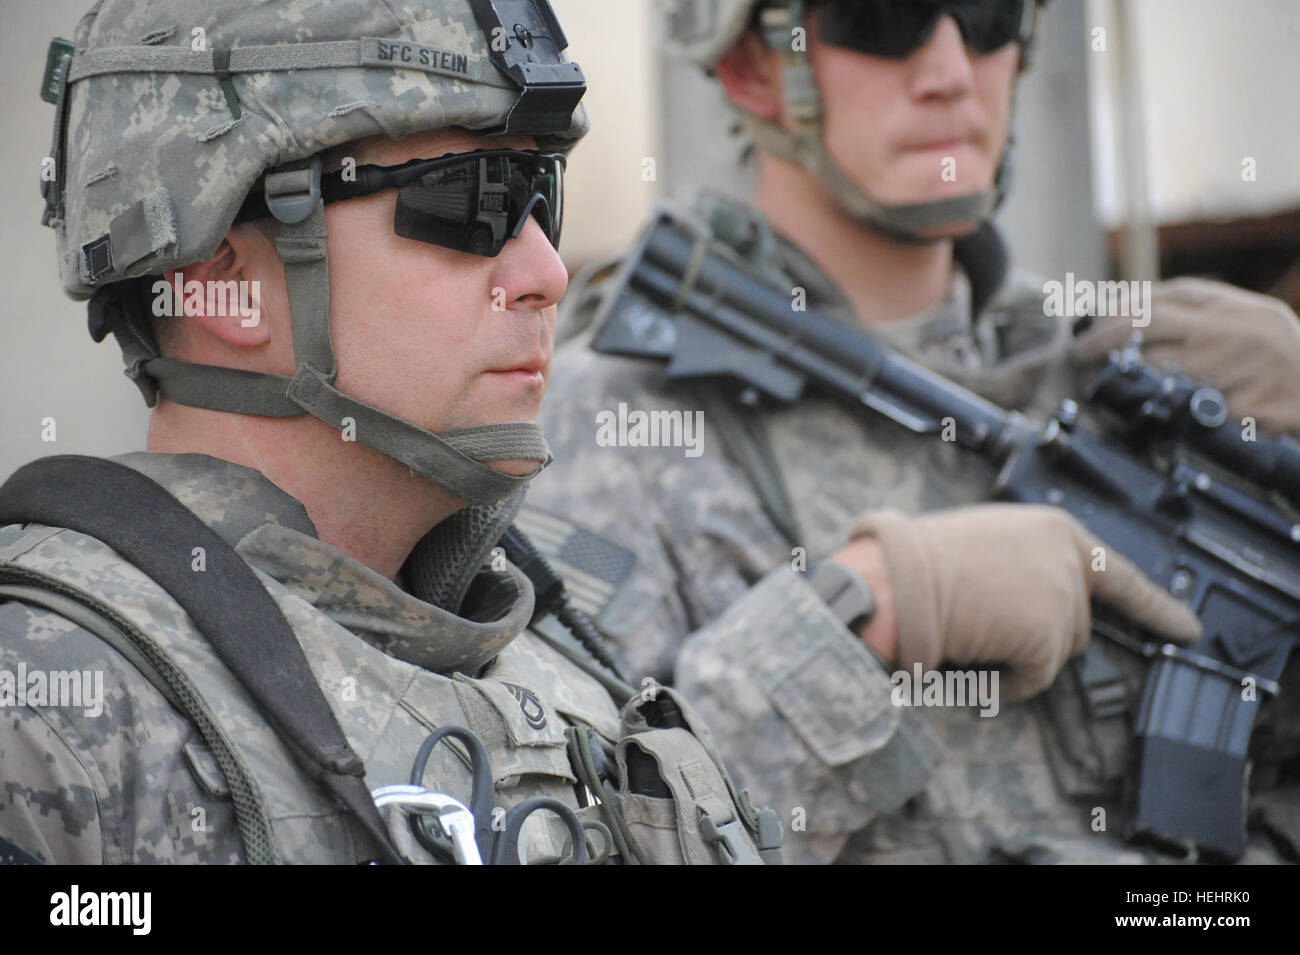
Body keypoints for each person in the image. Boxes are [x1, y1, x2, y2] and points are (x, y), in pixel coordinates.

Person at [0, 0, 781, 866]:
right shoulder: (44, 712)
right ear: (221, 280)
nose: (546, 274)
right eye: (476, 201)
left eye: (540, 196)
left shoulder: (569, 688)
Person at [522, 0, 1300, 864]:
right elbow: (584, 834)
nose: (950, 71)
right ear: (753, 66)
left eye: (989, 17)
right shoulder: (612, 424)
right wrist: (869, 610)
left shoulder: (1120, 372)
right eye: (884, 20)